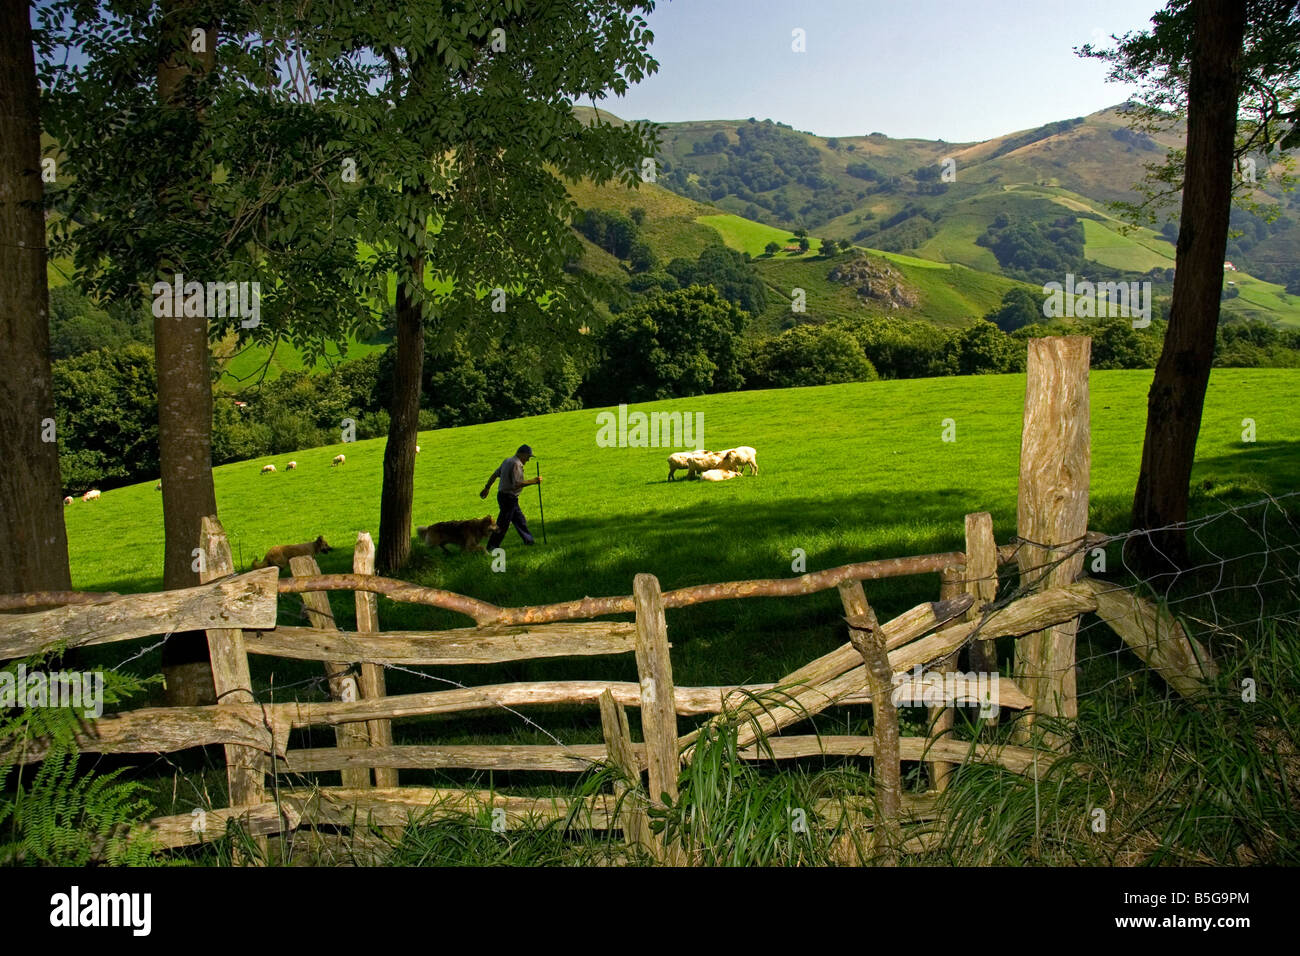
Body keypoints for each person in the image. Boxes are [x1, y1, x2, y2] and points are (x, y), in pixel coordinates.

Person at [481, 444, 542, 549]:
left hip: (504, 496)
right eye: (528, 457)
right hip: (509, 498)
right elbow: (516, 484)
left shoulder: (507, 461)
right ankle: (492, 546)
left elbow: (495, 475)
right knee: (503, 524)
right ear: (522, 454)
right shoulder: (516, 464)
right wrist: (534, 481)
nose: (528, 460)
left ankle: (529, 541)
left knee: (520, 520)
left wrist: (487, 488)